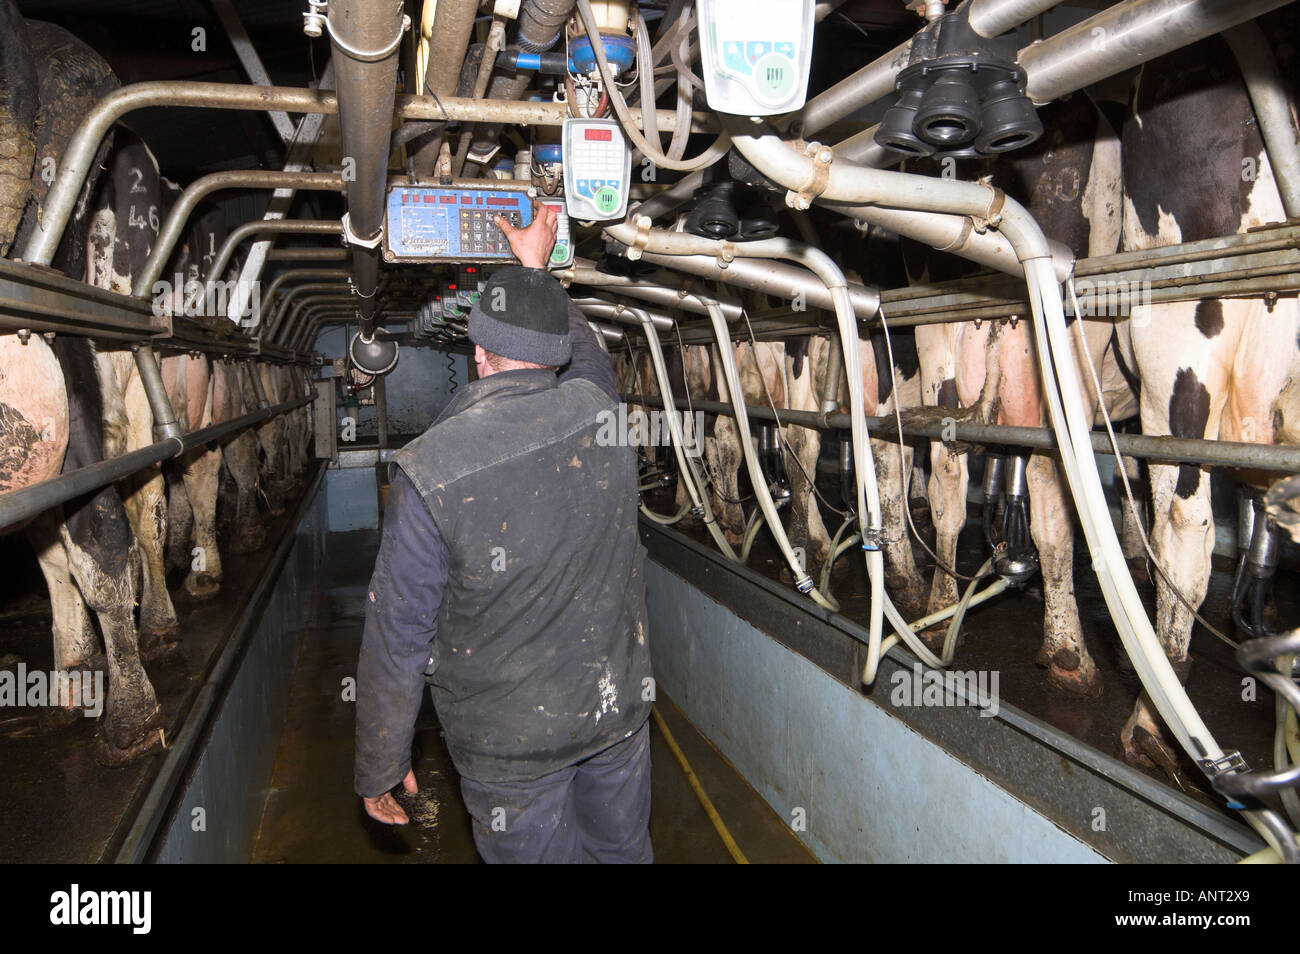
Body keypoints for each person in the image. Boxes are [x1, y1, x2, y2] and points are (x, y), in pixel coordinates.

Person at [353, 202, 654, 864]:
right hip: (617, 715)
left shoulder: (430, 468)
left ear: (477, 350)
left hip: (510, 749)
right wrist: (536, 273)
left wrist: (380, 755)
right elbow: (579, 353)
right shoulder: (604, 415)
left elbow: (399, 632)